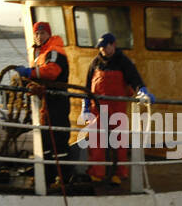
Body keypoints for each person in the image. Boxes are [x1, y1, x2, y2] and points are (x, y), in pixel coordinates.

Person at [81, 33, 154, 186]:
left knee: (119, 142)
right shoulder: (95, 62)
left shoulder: (124, 62)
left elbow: (135, 79)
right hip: (98, 109)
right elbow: (87, 87)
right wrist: (85, 105)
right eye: (100, 47)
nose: (103, 50)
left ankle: (119, 174)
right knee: (96, 141)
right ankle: (97, 173)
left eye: (105, 46)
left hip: (117, 108)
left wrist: (142, 90)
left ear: (113, 45)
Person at [15, 20, 71, 185]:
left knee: (58, 140)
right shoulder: (41, 53)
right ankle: (47, 176)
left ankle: (64, 178)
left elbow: (52, 72)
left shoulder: (54, 51)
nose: (39, 37)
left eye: (42, 33)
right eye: (37, 34)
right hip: (45, 103)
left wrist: (29, 72)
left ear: (49, 34)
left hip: (57, 101)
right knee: (46, 141)